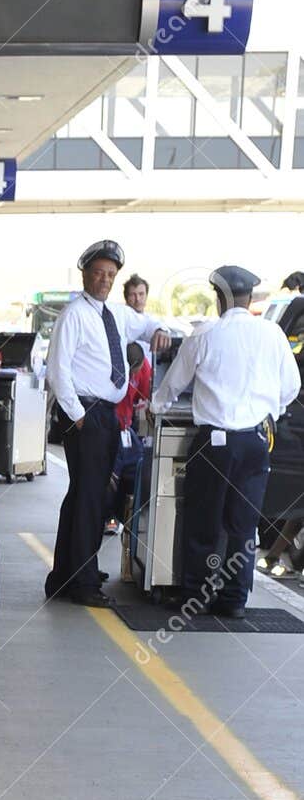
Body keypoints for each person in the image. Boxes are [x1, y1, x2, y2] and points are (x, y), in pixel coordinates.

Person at [151, 264, 301, 617]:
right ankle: (234, 600)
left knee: (204, 521)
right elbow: (291, 387)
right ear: (250, 298)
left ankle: (197, 596)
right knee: (243, 524)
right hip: (254, 443)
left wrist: (155, 406)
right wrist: (270, 411)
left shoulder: (204, 334)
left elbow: (172, 385)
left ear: (218, 297)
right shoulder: (272, 334)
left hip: (214, 444)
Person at [44, 238, 169, 605]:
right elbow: (57, 370)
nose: (104, 280)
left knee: (86, 496)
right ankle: (81, 583)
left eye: (110, 274)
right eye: (98, 273)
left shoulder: (113, 314)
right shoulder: (74, 314)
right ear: (85, 274)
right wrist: (79, 417)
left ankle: (67, 574)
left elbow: (147, 324)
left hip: (106, 413)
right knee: (90, 498)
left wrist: (159, 329)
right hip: (86, 413)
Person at [104, 342, 152, 539]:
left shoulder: (144, 368)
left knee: (136, 470)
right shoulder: (111, 368)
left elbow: (145, 395)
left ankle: (129, 517)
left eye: (136, 372)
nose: (133, 377)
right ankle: (108, 517)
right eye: (131, 373)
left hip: (127, 429)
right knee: (110, 477)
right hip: (109, 427)